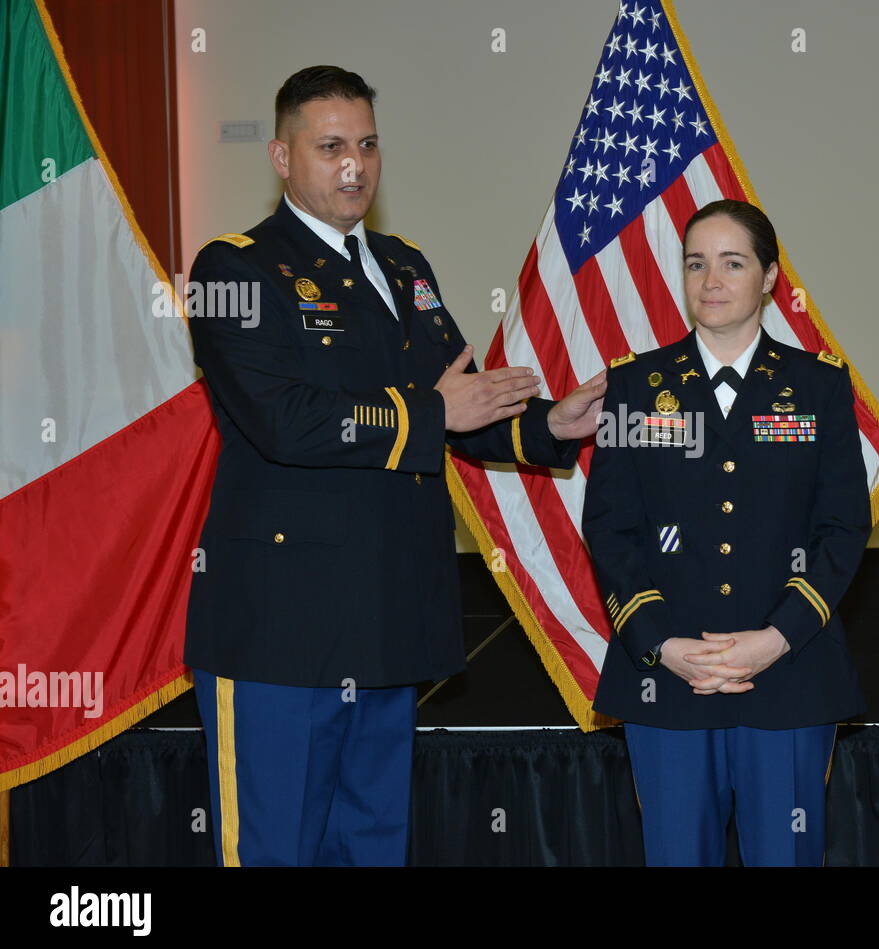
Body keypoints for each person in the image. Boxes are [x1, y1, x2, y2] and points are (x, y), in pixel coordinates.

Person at [184, 65, 605, 866]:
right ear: (281, 157)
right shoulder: (232, 270)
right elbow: (286, 422)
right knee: (275, 850)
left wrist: (552, 423)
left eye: (369, 145)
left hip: (389, 618)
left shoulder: (404, 266)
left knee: (374, 848)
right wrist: (437, 411)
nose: (355, 166)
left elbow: (463, 406)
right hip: (282, 630)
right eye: (331, 146)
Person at [582, 198, 871, 866]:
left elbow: (842, 528)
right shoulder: (636, 386)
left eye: (732, 262)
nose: (711, 280)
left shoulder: (816, 386)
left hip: (788, 673)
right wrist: (663, 645)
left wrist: (775, 639)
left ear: (769, 277)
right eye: (696, 263)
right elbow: (610, 527)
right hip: (669, 677)